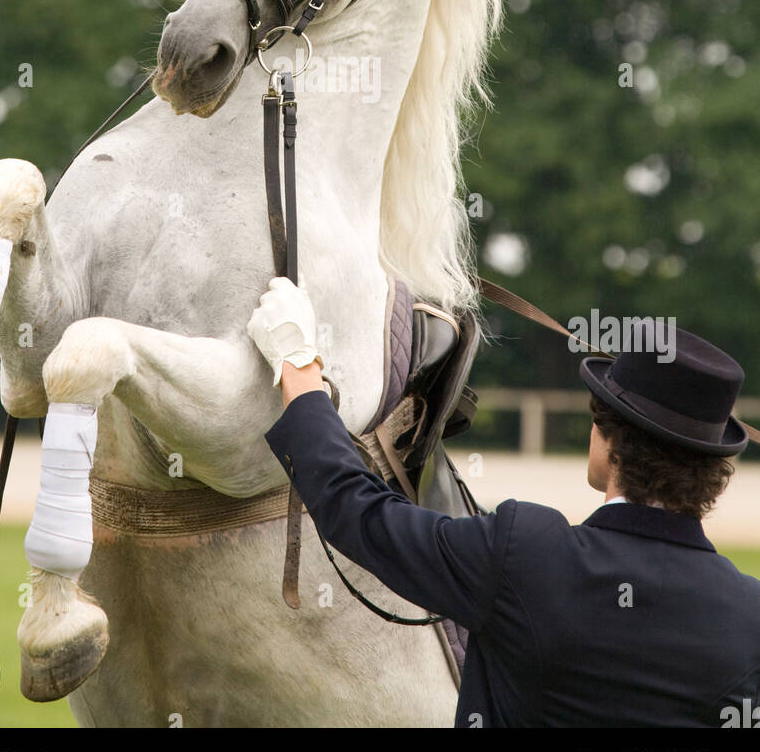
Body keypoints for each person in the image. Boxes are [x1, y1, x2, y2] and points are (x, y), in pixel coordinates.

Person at [248, 277, 760, 728]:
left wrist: (298, 364)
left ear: (606, 436)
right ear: (713, 469)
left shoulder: (526, 553)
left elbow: (359, 513)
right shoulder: (749, 615)